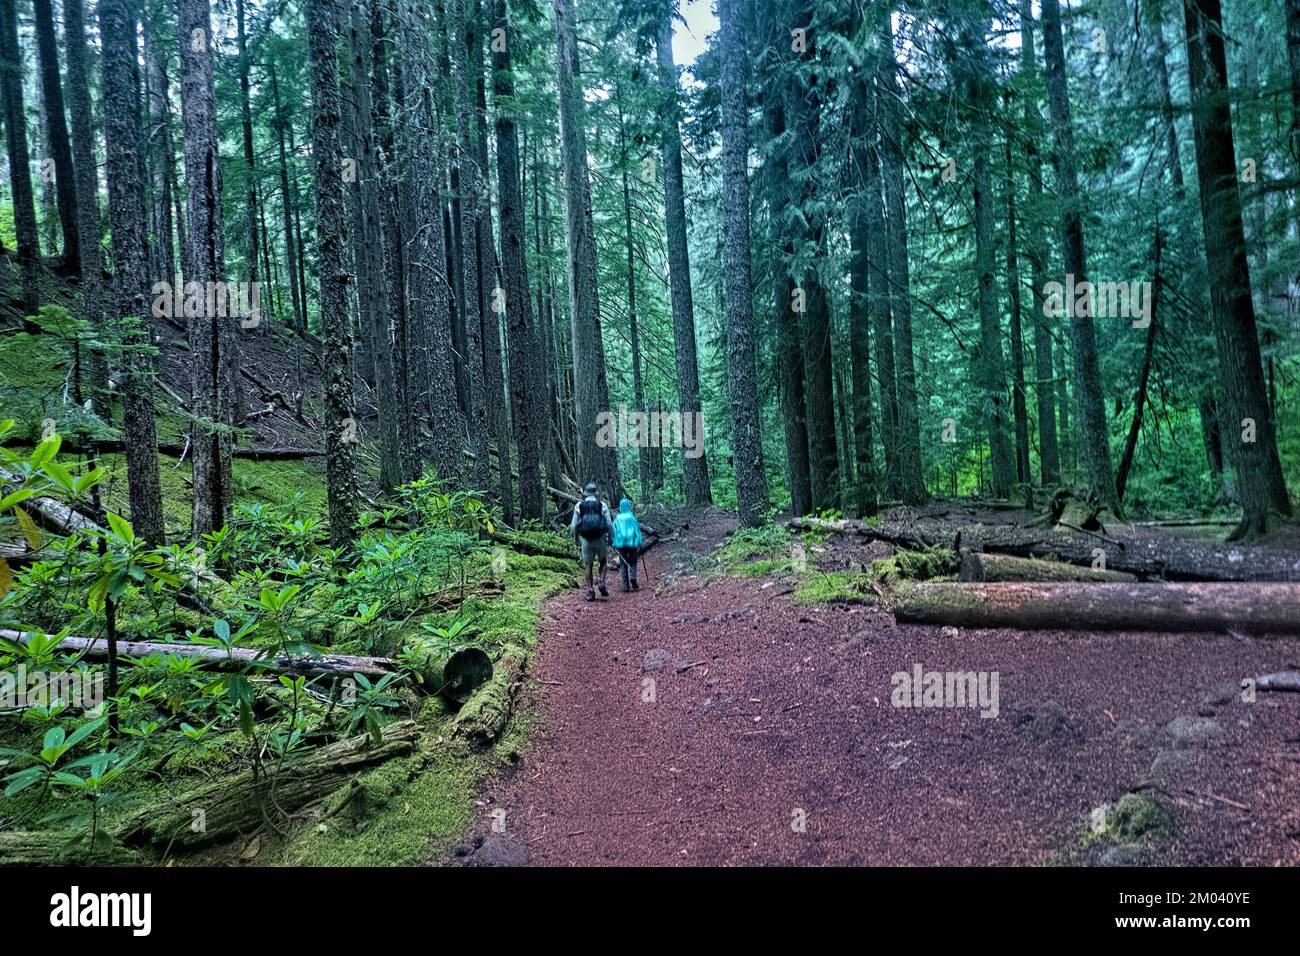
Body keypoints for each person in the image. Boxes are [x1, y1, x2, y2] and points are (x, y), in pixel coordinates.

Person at [570, 481, 612, 601]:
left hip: (586, 540)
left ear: (585, 494)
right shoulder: (602, 505)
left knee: (588, 564)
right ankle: (602, 582)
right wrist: (611, 537)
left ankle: (590, 591)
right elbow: (609, 523)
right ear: (596, 493)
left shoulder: (579, 506)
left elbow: (573, 526)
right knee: (603, 561)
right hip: (600, 538)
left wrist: (576, 539)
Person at [611, 498, 643, 592]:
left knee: (623, 563)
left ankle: (625, 585)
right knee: (633, 560)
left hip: (621, 543)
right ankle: (633, 577)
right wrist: (639, 540)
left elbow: (614, 531)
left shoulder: (617, 518)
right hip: (632, 543)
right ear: (628, 506)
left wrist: (614, 542)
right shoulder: (631, 517)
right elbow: (637, 529)